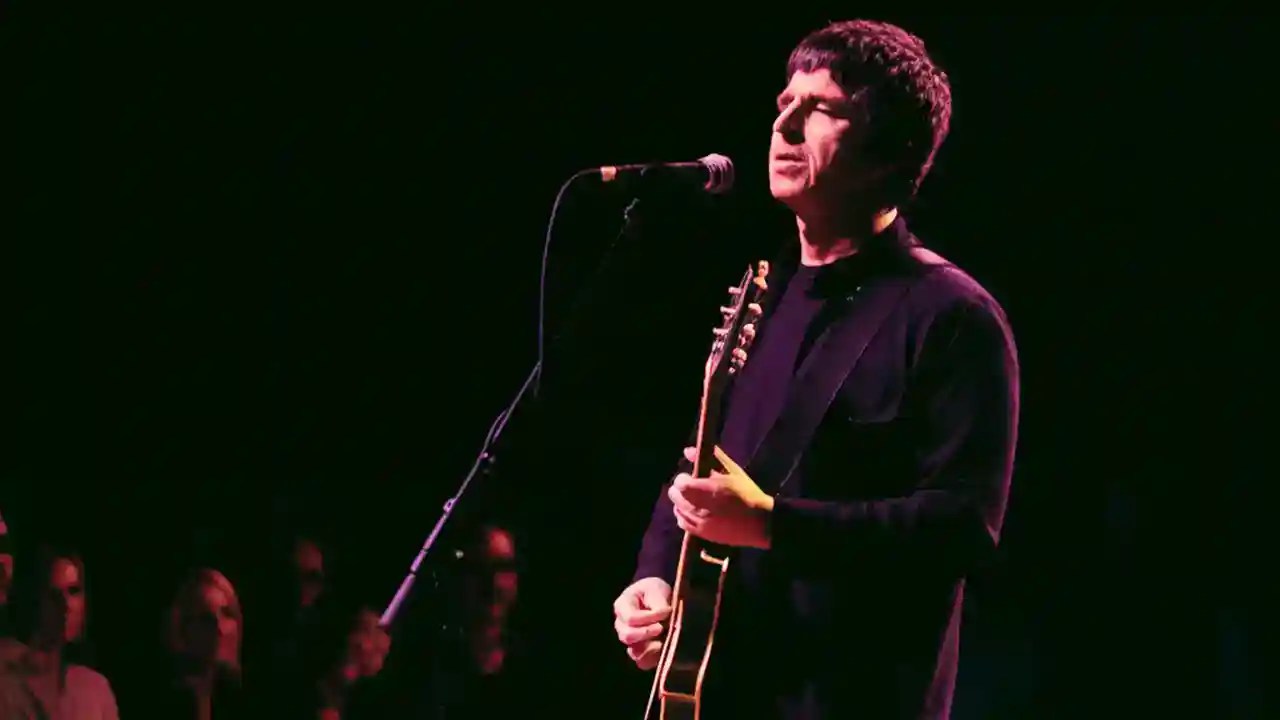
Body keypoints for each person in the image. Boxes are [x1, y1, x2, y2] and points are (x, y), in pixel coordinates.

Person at [612, 18, 1019, 720]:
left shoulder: (952, 316)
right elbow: (701, 473)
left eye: (821, 109)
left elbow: (961, 529)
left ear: (888, 150)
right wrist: (652, 579)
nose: (785, 126)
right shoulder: (762, 295)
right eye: (783, 105)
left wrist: (776, 525)